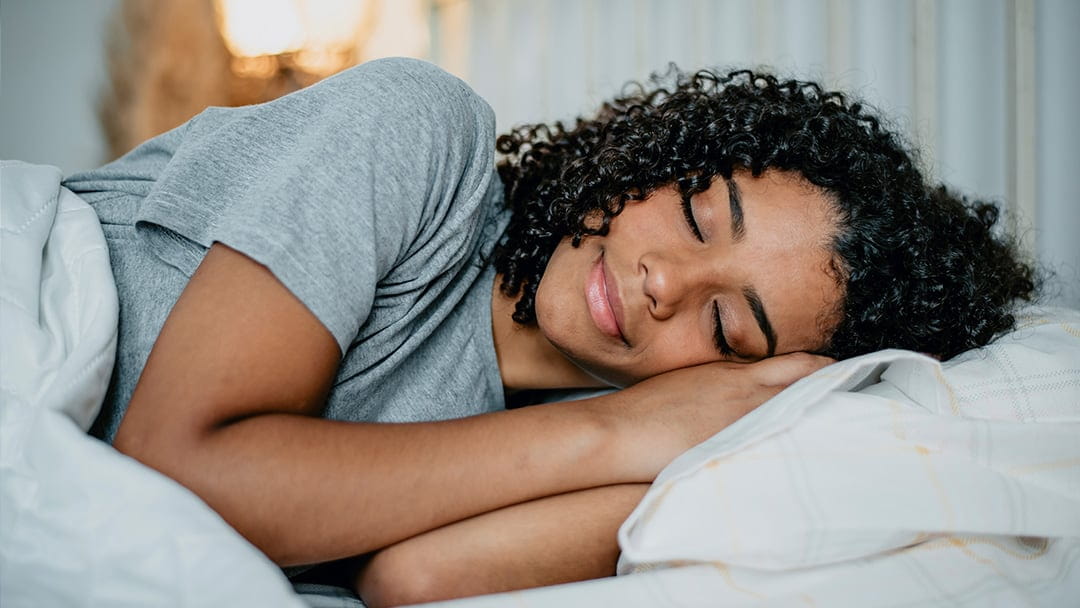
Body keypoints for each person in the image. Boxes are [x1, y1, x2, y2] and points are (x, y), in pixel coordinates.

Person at [64, 57, 1035, 606]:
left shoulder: (614, 436)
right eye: (698, 214)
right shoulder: (422, 136)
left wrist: (660, 438)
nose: (666, 282)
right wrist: (612, 432)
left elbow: (414, 579)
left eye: (728, 324)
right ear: (660, 157)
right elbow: (172, 469)